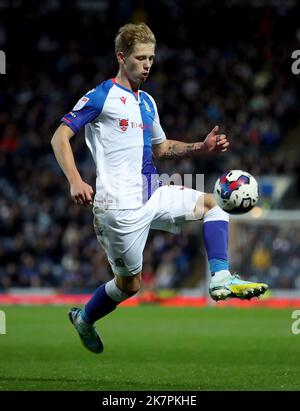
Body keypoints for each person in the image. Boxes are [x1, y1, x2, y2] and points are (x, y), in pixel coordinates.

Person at [51, 22, 268, 354]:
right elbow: (60, 136)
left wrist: (201, 147)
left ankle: (221, 277)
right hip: (118, 209)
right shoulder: (101, 97)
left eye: (151, 58)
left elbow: (162, 149)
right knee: (130, 285)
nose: (148, 65)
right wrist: (75, 180)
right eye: (140, 58)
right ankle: (84, 319)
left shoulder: (147, 102)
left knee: (215, 204)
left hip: (153, 190)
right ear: (122, 58)